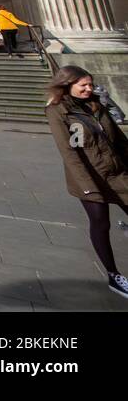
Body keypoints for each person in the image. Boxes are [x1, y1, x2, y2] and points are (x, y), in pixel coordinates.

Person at [44, 65, 128, 299]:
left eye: (91, 84)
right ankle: (114, 275)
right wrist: (87, 185)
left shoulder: (96, 105)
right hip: (89, 176)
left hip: (117, 172)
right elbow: (69, 152)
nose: (89, 89)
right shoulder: (57, 111)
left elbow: (119, 140)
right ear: (67, 85)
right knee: (101, 224)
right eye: (83, 85)